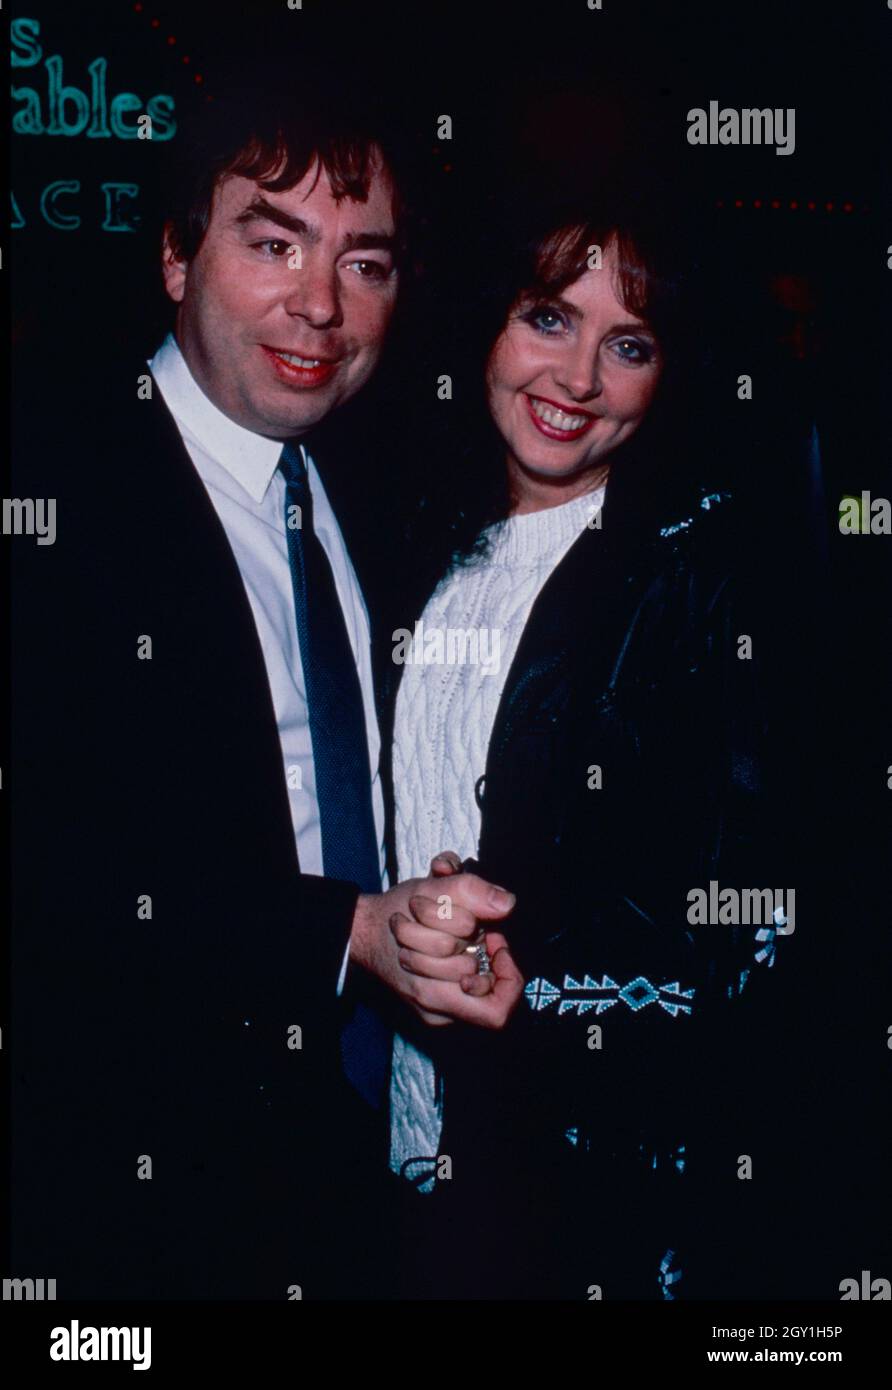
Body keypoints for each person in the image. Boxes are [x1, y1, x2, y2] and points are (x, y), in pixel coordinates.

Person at [9, 76, 523, 1300]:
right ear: (177, 257)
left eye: (367, 264)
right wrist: (342, 932)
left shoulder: (377, 492)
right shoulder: (52, 487)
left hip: (357, 1183)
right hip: (125, 1206)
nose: (320, 305)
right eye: (273, 241)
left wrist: (436, 902)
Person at [383, 191, 829, 1299]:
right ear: (486, 324)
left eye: (625, 344)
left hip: (582, 1179)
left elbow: (766, 914)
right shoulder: (405, 535)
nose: (576, 380)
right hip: (401, 1135)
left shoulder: (704, 580)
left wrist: (542, 987)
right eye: (547, 318)